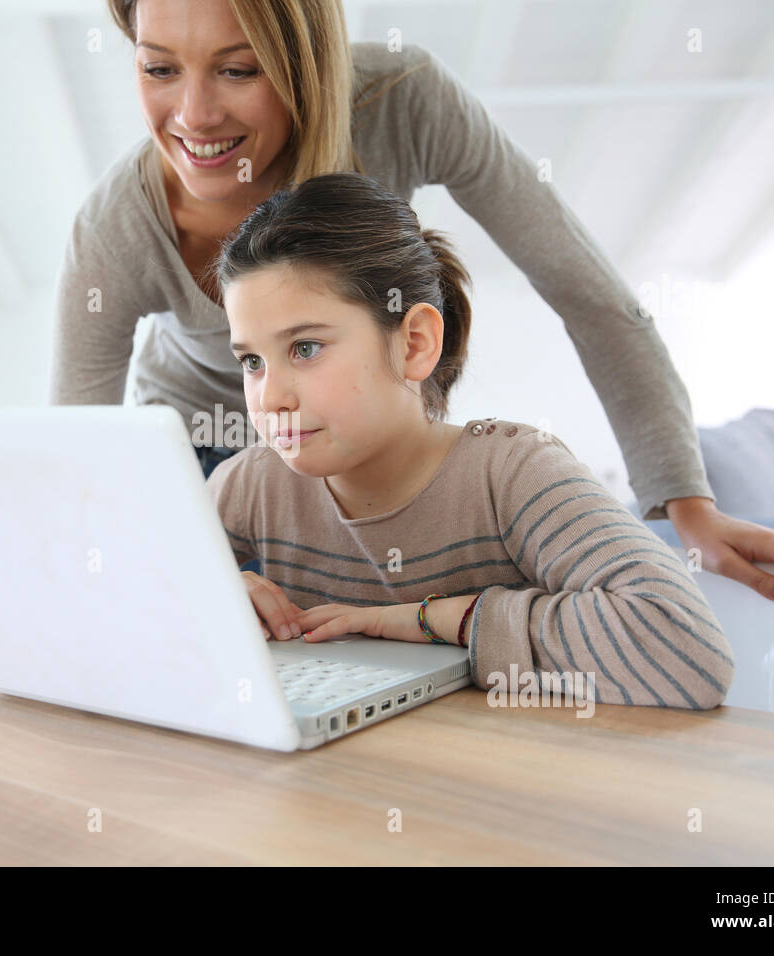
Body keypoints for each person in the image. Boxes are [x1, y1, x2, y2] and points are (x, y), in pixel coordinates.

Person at [48, 0, 774, 626]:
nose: (194, 114)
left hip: (364, 435)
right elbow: (76, 463)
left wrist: (687, 504)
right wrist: (182, 566)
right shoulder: (116, 226)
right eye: (157, 68)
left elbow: (583, 287)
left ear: (306, 63)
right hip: (202, 459)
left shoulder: (401, 100)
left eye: (239, 69)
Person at [206, 171, 735, 709]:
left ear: (415, 342)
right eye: (251, 360)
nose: (269, 399)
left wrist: (435, 621)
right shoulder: (251, 484)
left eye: (306, 349)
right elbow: (125, 601)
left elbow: (688, 650)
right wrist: (204, 599)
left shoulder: (512, 474)